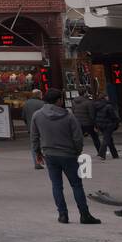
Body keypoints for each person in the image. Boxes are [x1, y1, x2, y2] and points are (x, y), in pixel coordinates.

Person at [31, 88, 101, 224]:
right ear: (59, 100)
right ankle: (84, 214)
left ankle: (63, 215)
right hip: (68, 154)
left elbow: (34, 137)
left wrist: (37, 152)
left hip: (50, 154)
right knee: (76, 185)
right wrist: (77, 151)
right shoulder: (68, 116)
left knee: (57, 186)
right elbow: (78, 137)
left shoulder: (37, 115)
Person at [72, 89, 103, 157]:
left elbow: (73, 111)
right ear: (85, 93)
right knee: (95, 137)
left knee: (78, 138)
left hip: (78, 122)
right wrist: (95, 124)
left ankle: (76, 152)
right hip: (88, 123)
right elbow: (92, 114)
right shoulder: (88, 102)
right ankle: (100, 152)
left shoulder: (74, 101)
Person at [21, 89, 45, 169]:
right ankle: (47, 161)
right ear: (39, 95)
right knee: (45, 144)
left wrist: (28, 124)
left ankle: (37, 163)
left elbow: (23, 116)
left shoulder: (26, 103)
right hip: (42, 127)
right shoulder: (43, 103)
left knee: (34, 145)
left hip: (31, 127)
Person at [94, 93, 120, 160]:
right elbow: (113, 116)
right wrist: (117, 121)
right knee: (106, 139)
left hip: (100, 124)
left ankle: (115, 154)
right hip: (108, 124)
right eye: (107, 96)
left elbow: (95, 115)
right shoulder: (108, 106)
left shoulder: (96, 105)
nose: (108, 97)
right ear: (104, 97)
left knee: (109, 139)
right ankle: (102, 153)